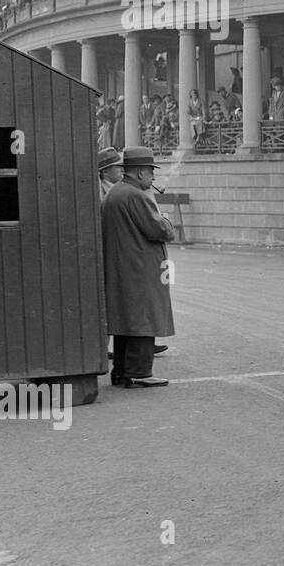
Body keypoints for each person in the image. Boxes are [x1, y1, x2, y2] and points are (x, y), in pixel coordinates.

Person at [102, 146, 174, 388]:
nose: (153, 178)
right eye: (151, 172)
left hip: (125, 265)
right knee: (144, 319)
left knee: (128, 321)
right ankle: (139, 372)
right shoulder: (136, 195)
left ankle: (122, 372)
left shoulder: (117, 192)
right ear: (141, 173)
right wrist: (165, 218)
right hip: (139, 267)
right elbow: (160, 229)